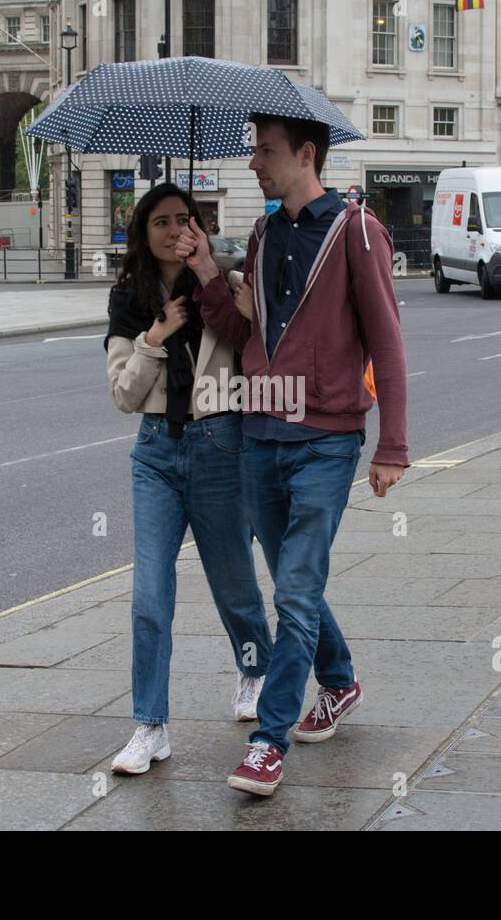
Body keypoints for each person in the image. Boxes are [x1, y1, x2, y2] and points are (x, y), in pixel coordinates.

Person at [178, 113, 410, 797]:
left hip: (326, 444)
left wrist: (392, 445)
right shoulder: (263, 232)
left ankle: (267, 741)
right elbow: (239, 330)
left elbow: (388, 343)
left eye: (266, 151)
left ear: (306, 154)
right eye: (254, 150)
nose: (255, 163)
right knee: (294, 586)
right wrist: (201, 267)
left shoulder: (357, 233)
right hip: (260, 437)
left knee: (297, 593)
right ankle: (339, 681)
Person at [104, 183, 274, 776]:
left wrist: (205, 278)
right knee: (150, 596)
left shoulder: (224, 284)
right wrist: (156, 338)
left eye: (186, 220)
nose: (175, 230)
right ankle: (150, 726)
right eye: (161, 223)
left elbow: (254, 349)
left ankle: (254, 666)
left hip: (220, 445)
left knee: (235, 587)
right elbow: (124, 394)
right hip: (154, 452)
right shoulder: (129, 298)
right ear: (143, 234)